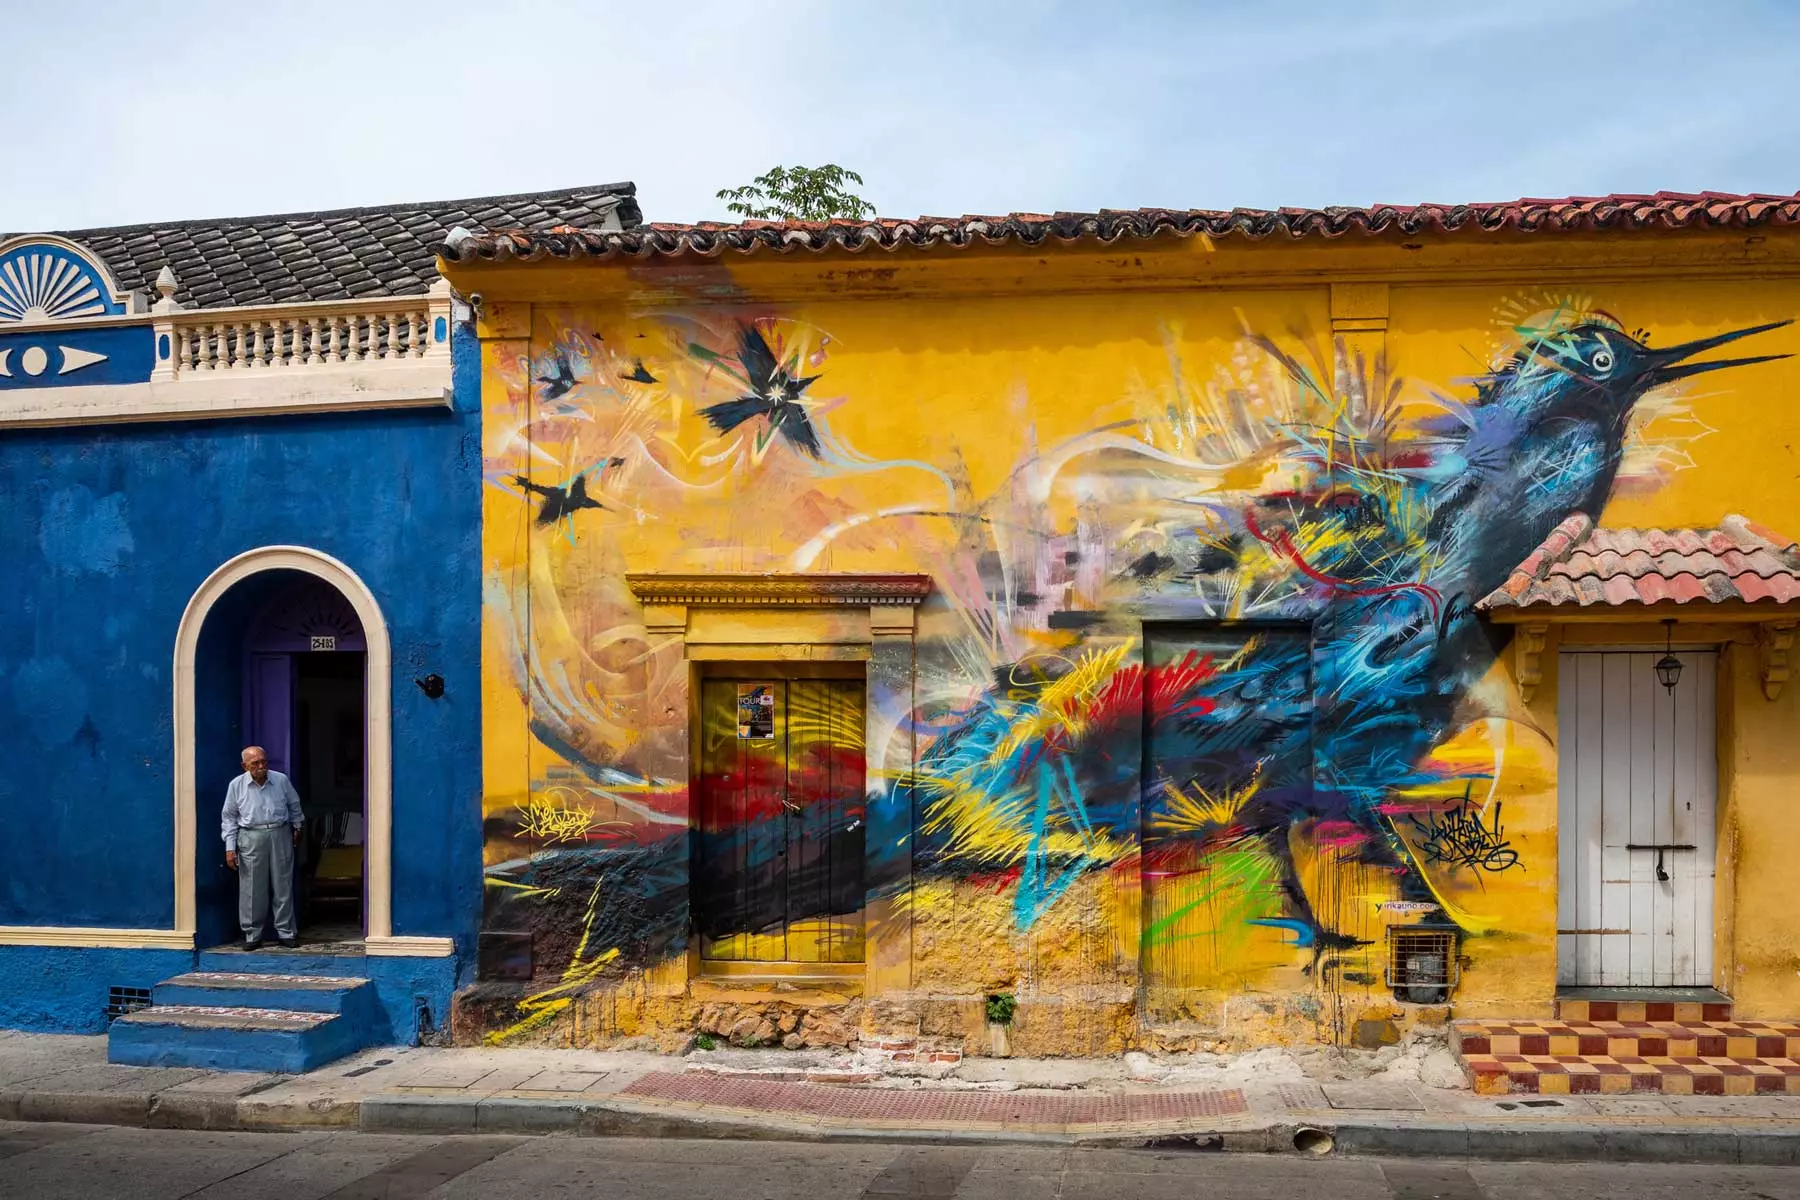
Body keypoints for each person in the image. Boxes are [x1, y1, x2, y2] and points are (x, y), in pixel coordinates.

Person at [222, 746, 304, 950]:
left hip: (279, 832)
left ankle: (286, 932)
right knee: (251, 888)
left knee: (282, 884)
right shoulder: (236, 785)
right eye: (255, 763)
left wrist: (298, 826)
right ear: (245, 766)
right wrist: (230, 848)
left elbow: (294, 805)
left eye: (263, 762)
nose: (261, 766)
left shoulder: (281, 780)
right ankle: (252, 934)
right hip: (250, 835)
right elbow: (229, 818)